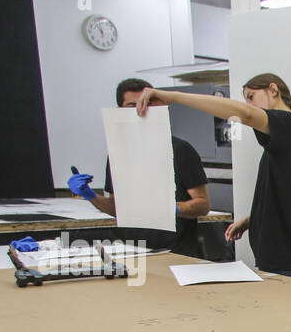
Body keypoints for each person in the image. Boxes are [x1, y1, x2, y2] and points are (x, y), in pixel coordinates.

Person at [131, 73, 291, 280]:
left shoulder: (289, 125)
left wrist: (174, 97)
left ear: (273, 90)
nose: (249, 103)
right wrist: (252, 219)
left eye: (251, 96)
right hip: (280, 256)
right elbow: (287, 195)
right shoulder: (289, 134)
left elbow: (245, 114)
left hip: (283, 258)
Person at [67, 78, 209, 258]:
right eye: (132, 105)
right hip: (131, 251)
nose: (141, 110)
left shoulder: (180, 150)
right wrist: (90, 195)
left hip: (175, 251)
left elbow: (202, 205)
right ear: (120, 111)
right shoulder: (118, 153)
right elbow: (117, 208)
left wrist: (168, 208)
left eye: (147, 103)